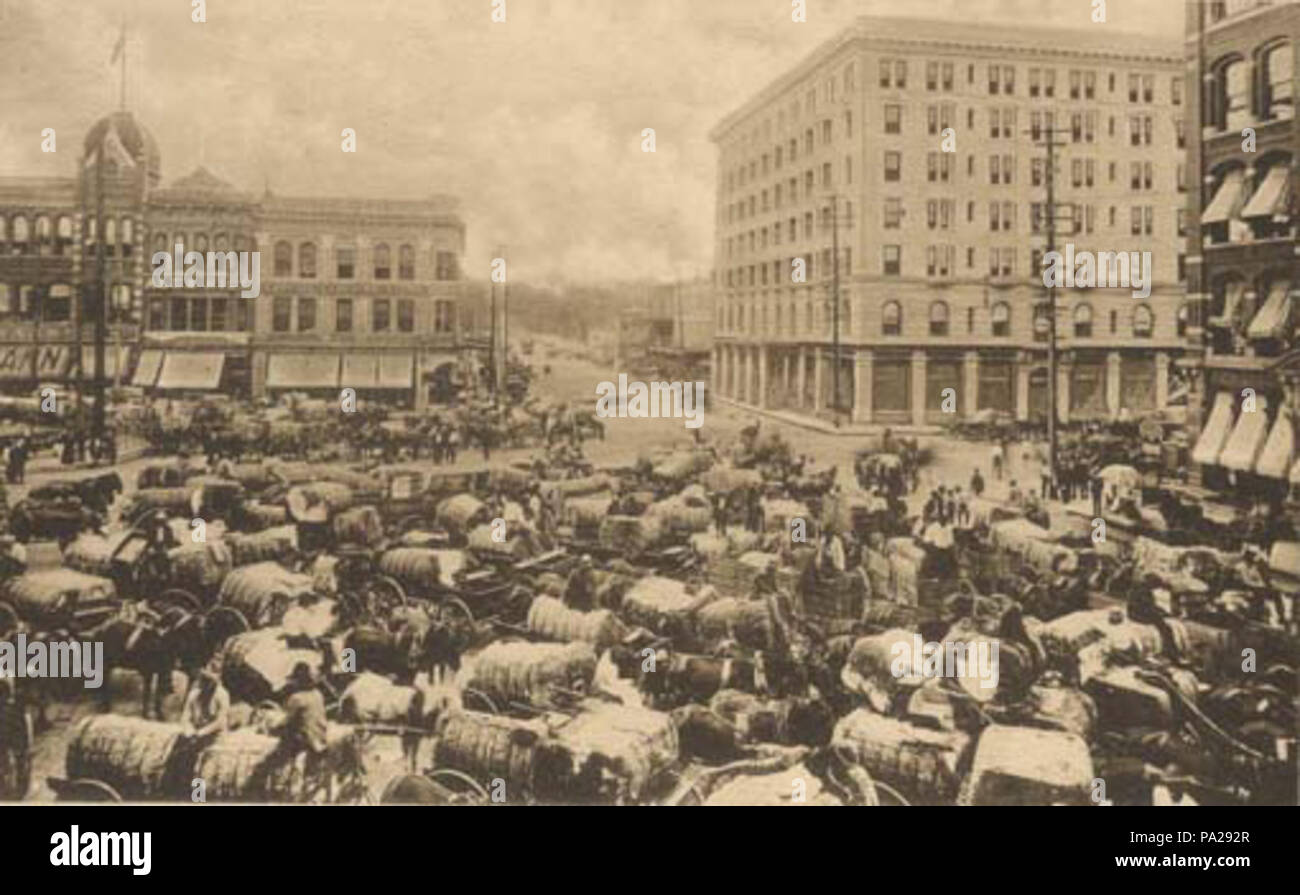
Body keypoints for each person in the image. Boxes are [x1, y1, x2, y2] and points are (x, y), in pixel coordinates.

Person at [283, 663, 328, 757]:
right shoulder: (318, 694)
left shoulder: (296, 698)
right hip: (321, 736)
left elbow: (286, 721)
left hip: (306, 741)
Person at [181, 662, 230, 742]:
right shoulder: (194, 694)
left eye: (208, 681)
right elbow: (185, 717)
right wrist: (189, 731)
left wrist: (200, 733)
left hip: (214, 737)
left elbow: (220, 721)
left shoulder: (222, 695)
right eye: (203, 679)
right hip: (193, 734)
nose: (205, 683)